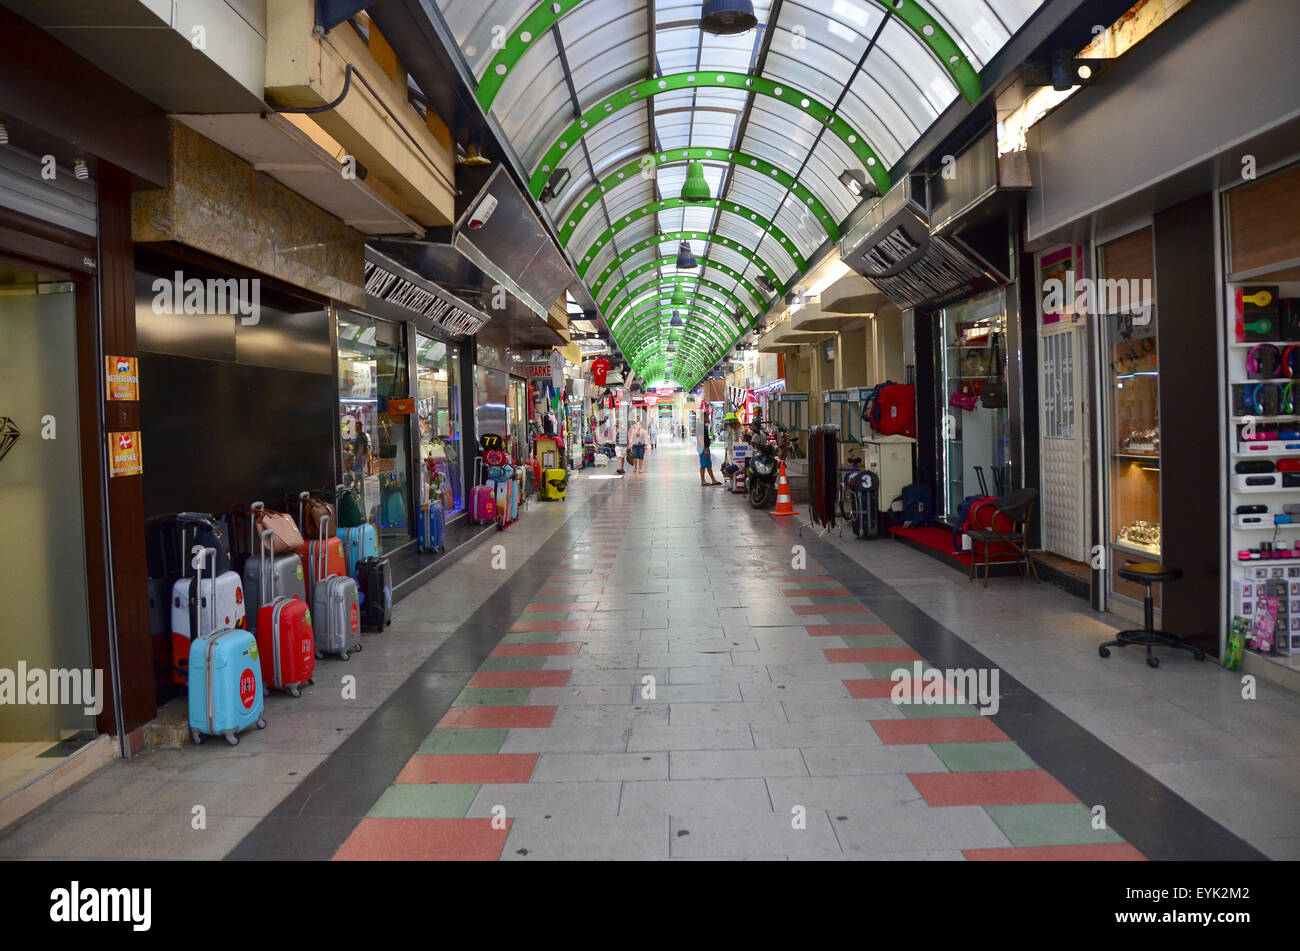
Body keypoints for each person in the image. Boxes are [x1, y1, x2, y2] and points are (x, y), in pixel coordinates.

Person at [697, 413, 722, 486]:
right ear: (704, 417)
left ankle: (713, 480)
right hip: (703, 448)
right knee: (703, 465)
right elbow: (700, 439)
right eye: (707, 417)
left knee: (708, 465)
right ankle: (703, 481)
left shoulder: (703, 425)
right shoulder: (700, 426)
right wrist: (704, 449)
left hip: (705, 447)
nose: (708, 419)